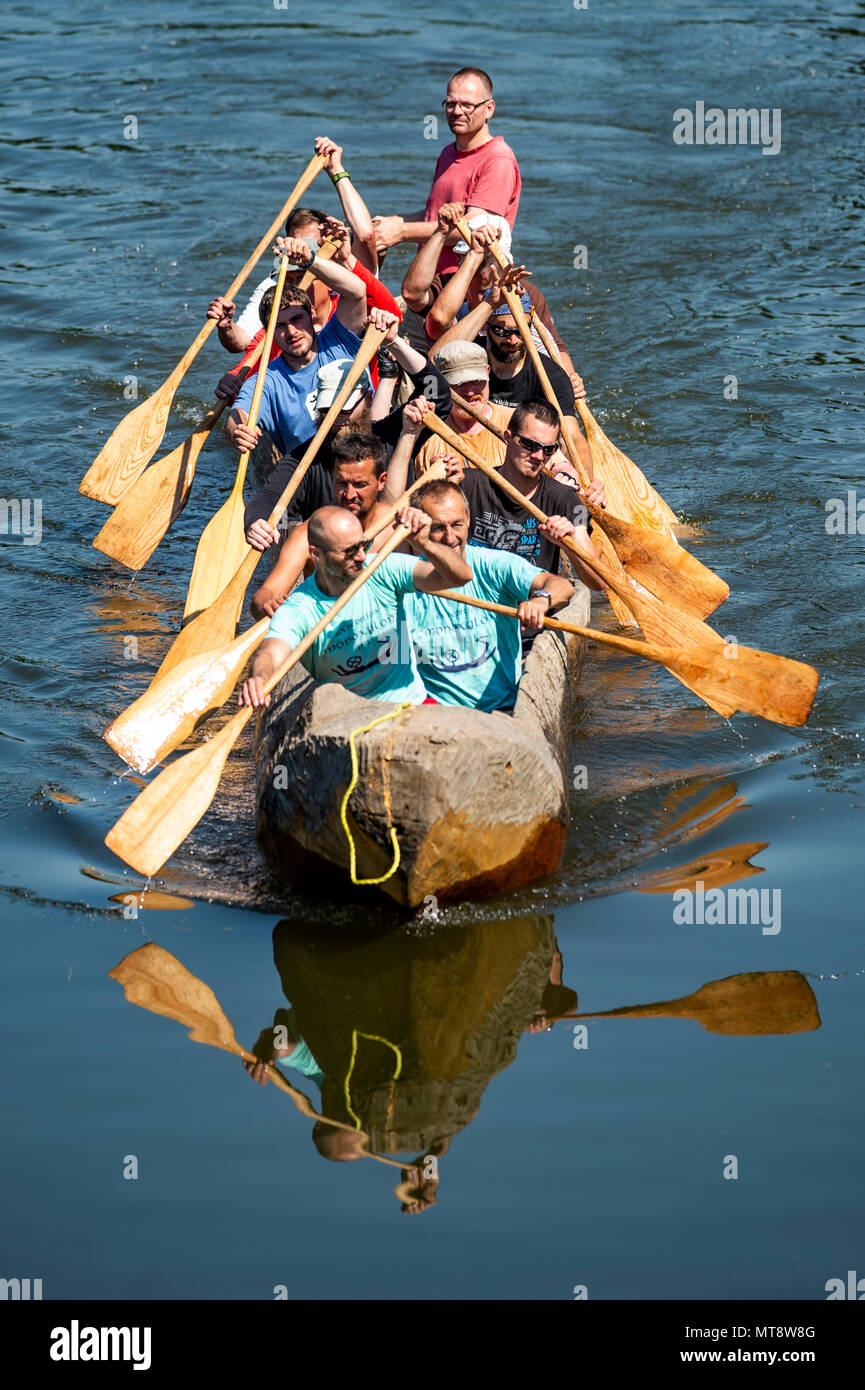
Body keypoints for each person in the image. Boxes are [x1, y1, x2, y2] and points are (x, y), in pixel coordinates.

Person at [241, 315, 452, 552]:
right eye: (328, 409)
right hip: (337, 568)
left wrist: (393, 342)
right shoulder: (305, 459)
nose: (337, 417)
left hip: (398, 556)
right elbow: (270, 497)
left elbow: (437, 392)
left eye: (345, 408)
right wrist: (256, 522)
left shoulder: (394, 431)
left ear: (368, 398)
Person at [238, 504, 472, 708]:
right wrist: (259, 678)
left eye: (361, 545)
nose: (361, 556)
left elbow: (460, 576)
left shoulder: (381, 568)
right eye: (349, 552)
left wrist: (424, 544)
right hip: (350, 718)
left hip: (412, 705)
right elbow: (271, 652)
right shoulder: (300, 607)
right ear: (316, 554)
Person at [392, 397, 605, 590]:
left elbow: (597, 582)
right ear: (507, 437)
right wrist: (435, 483)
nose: (539, 456)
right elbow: (402, 521)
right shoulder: (468, 483)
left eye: (548, 449)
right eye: (530, 445)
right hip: (473, 603)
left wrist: (569, 543)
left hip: (530, 610)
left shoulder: (564, 498)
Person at [404, 478, 575, 711]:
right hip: (439, 715)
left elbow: (562, 586)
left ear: (469, 518)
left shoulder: (492, 565)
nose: (450, 537)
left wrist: (540, 600)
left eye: (457, 525)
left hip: (503, 710)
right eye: (437, 528)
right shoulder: (405, 578)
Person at [431, 262, 592, 476]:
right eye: (502, 331)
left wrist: (583, 484)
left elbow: (572, 437)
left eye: (520, 330)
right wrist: (489, 303)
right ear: (486, 327)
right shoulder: (472, 355)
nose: (513, 340)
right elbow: (433, 361)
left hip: (525, 464)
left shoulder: (550, 376)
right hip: (469, 453)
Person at [401, 207, 582, 389]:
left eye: (493, 264)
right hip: (462, 385)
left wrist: (568, 381)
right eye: (481, 265)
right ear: (460, 259)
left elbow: (556, 346)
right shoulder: (449, 287)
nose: (487, 276)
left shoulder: (522, 291)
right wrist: (443, 234)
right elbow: (416, 298)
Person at [224, 246, 372, 458]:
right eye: (280, 325)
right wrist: (238, 431)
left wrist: (311, 260)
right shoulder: (267, 382)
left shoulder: (338, 339)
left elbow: (357, 290)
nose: (291, 332)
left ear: (311, 313)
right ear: (268, 331)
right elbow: (236, 417)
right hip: (311, 471)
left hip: (369, 453)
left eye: (296, 319)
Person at [372, 68, 521, 276]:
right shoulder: (448, 153)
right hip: (430, 282)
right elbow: (437, 215)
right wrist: (396, 221)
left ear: (489, 109)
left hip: (466, 287)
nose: (457, 111)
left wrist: (402, 232)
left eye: (467, 105)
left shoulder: (498, 159)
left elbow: (473, 226)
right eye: (451, 104)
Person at [246, 434, 402, 620]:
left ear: (382, 481)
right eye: (342, 483)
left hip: (390, 636)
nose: (349, 494)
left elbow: (439, 577)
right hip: (332, 637)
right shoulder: (309, 534)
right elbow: (265, 594)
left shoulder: (401, 524)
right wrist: (266, 603)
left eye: (360, 485)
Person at [412, 340, 513, 475]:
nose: (470, 392)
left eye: (477, 381)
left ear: (488, 372)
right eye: (459, 383)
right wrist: (434, 483)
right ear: (441, 382)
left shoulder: (514, 424)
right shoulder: (427, 433)